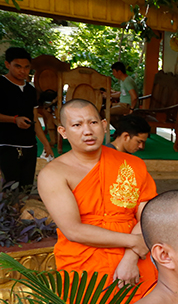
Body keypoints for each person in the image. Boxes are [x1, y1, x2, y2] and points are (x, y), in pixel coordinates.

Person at [38, 98, 156, 289]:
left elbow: (149, 216)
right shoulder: (53, 174)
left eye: (93, 122)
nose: (87, 131)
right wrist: (135, 242)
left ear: (103, 125)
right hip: (85, 266)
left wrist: (130, 257)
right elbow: (73, 230)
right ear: (63, 132)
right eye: (77, 125)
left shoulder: (133, 165)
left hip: (136, 260)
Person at [0, 47, 54, 190]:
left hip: (30, 146)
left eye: (26, 67)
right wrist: (13, 120)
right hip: (6, 145)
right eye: (18, 66)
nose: (23, 71)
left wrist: (46, 143)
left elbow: (34, 118)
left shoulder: (30, 90)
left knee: (26, 189)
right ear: (7, 64)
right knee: (9, 191)